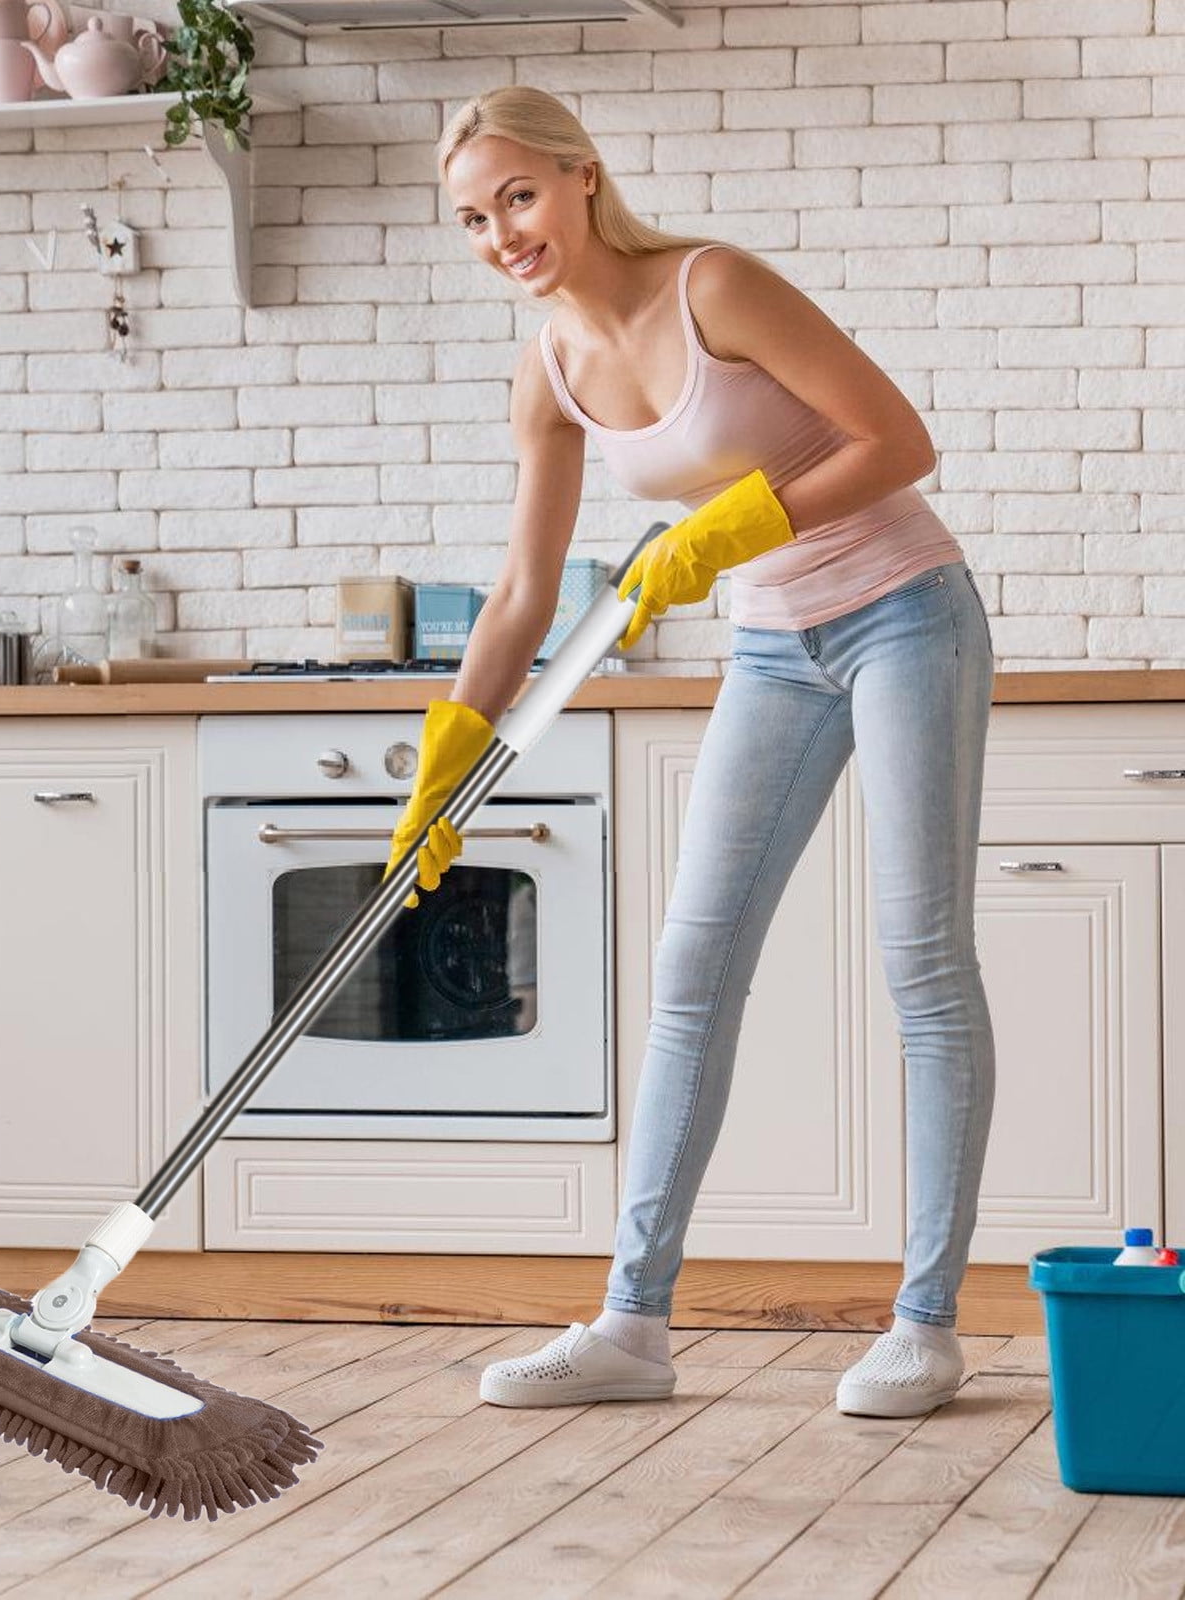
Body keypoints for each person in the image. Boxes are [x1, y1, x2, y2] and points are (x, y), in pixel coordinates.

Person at [384, 86, 996, 1421]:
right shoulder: (550, 365)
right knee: (693, 964)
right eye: (475, 219)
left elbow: (898, 440)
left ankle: (928, 1324)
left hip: (903, 613)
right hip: (773, 648)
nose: (503, 233)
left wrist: (720, 529)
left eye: (520, 198)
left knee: (921, 957)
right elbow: (524, 594)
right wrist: (452, 750)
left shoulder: (713, 286)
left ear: (583, 177)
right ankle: (632, 1324)